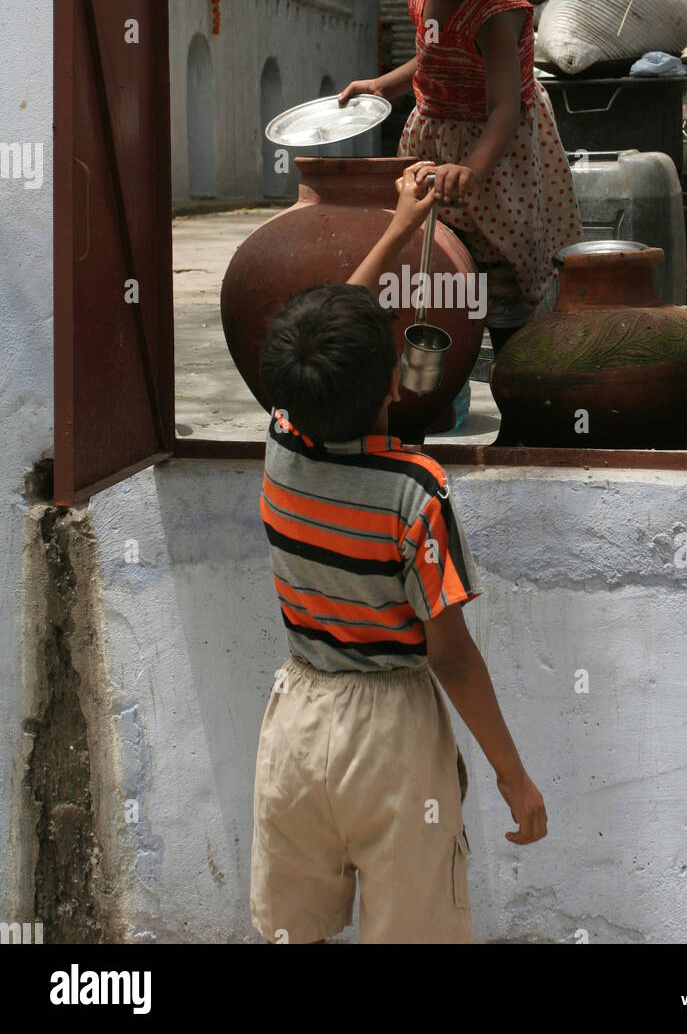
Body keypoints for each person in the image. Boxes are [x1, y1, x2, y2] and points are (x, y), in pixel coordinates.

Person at [250, 165, 547, 945]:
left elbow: (316, 356)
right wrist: (511, 775)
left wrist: (395, 230)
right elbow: (450, 657)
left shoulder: (281, 444)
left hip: (297, 723)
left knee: (295, 932)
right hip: (391, 741)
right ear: (390, 377)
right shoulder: (416, 493)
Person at [339, 0, 583, 358]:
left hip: (495, 149)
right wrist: (385, 83)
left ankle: (518, 379)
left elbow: (505, 109)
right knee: (439, 260)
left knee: (501, 268)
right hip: (435, 136)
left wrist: (470, 169)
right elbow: (432, 53)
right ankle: (447, 376)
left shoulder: (496, 12)